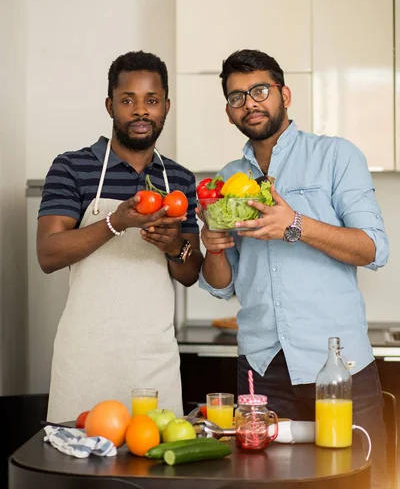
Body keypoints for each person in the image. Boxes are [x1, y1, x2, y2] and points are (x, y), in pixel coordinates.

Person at [198, 49, 389, 488]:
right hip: (262, 369)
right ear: (229, 113)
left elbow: (374, 248)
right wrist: (213, 247)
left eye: (260, 90)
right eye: (236, 97)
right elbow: (222, 286)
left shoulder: (336, 156)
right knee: (268, 482)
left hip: (339, 368)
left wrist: (296, 224)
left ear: (284, 94)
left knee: (362, 479)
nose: (250, 103)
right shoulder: (224, 180)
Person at [37, 50, 203, 422]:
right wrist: (116, 222)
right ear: (111, 105)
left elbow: (191, 273)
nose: (141, 111)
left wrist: (175, 244)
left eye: (152, 101)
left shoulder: (178, 180)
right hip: (85, 357)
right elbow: (48, 255)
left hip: (153, 359)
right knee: (78, 473)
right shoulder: (72, 166)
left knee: (154, 470)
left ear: (166, 107)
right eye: (128, 100)